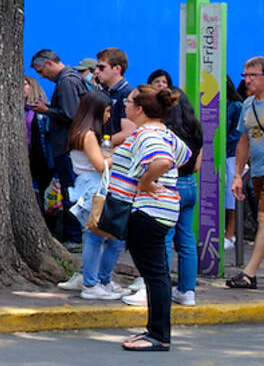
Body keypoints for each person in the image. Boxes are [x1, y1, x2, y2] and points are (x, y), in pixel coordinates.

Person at [111, 84, 190, 352]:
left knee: (155, 274)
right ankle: (155, 330)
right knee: (155, 273)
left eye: (130, 102)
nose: (125, 105)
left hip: (149, 210)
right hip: (161, 209)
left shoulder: (146, 134)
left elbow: (164, 160)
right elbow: (184, 154)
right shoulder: (163, 132)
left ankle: (159, 335)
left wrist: (146, 180)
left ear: (140, 109)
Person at [125, 73, 200, 307]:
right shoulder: (195, 128)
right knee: (187, 239)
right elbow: (194, 163)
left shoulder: (158, 132)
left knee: (163, 242)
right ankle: (187, 291)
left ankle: (157, 288)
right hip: (189, 185)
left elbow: (164, 161)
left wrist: (146, 180)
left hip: (165, 189)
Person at [61, 91, 126, 298]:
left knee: (100, 237)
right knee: (97, 238)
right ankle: (91, 283)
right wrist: (120, 154)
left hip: (89, 186)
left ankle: (96, 280)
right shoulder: (88, 135)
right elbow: (100, 165)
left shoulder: (83, 132)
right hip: (93, 187)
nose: (108, 116)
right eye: (107, 111)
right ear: (96, 111)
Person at [31, 48, 85, 241]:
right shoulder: (69, 80)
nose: (41, 76)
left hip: (68, 146)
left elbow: (70, 114)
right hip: (69, 146)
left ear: (49, 63)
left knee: (70, 191)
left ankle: (74, 236)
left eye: (40, 71)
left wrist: (47, 110)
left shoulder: (67, 82)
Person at [228, 56, 264, 289]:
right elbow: (243, 140)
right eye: (245, 75)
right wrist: (237, 175)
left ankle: (249, 273)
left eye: (252, 75)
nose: (247, 80)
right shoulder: (248, 104)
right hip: (258, 170)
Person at [94, 47, 134, 138]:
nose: (96, 71)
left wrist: (102, 146)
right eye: (97, 67)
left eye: (101, 67)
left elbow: (129, 132)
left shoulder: (128, 94)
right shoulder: (104, 92)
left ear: (117, 69)